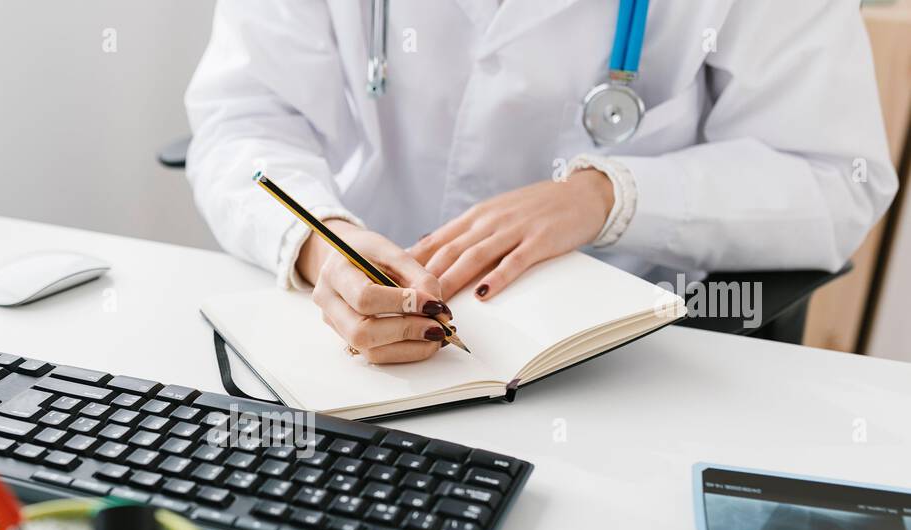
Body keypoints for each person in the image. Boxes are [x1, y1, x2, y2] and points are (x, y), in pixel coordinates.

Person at [185, 0, 897, 365]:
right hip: (351, 344)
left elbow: (836, 178)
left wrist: (609, 198)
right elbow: (246, 117)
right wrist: (322, 244)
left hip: (621, 353)